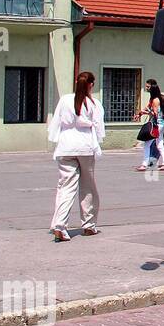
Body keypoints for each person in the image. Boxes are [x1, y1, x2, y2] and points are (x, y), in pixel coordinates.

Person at [48, 71, 105, 241]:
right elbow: (99, 128)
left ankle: (59, 225)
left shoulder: (65, 100)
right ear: (91, 85)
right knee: (88, 186)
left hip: (65, 147)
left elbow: (56, 123)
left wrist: (55, 139)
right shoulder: (94, 103)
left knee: (65, 187)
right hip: (85, 147)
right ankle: (88, 225)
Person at [137, 79, 164, 171]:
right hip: (160, 124)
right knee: (159, 144)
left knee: (147, 144)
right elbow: (147, 108)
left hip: (157, 125)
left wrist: (145, 112)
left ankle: (144, 164)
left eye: (148, 87)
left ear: (152, 88)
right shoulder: (153, 99)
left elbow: (154, 114)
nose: (146, 88)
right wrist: (140, 114)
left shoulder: (155, 100)